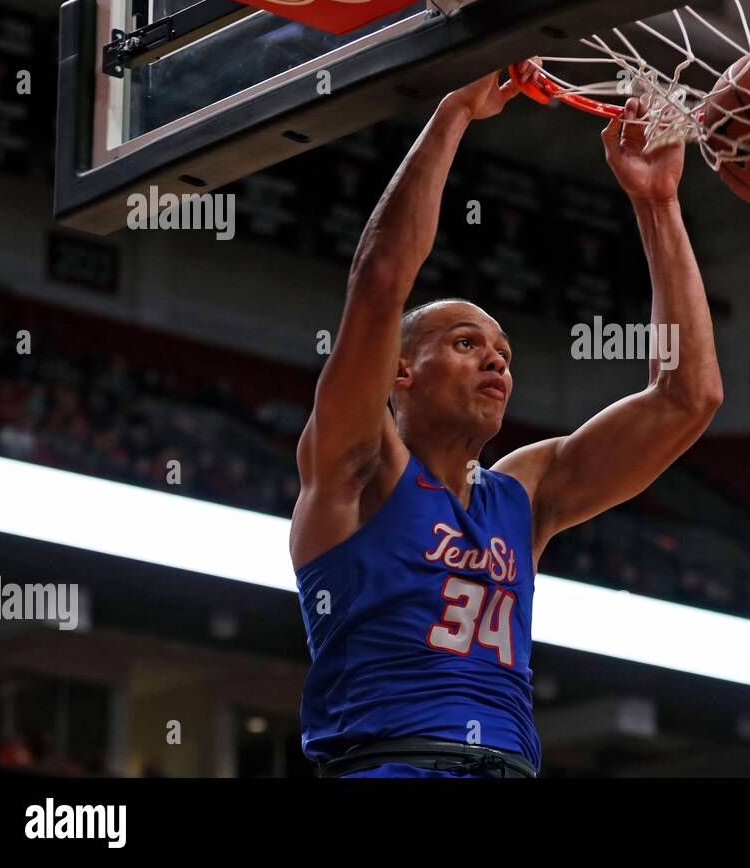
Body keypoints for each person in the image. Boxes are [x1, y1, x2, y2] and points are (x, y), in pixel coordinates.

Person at [290, 63, 723, 778]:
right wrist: (454, 110)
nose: (496, 362)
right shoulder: (357, 465)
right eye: (466, 345)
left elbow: (689, 396)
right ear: (400, 372)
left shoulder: (521, 496)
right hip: (391, 763)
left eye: (503, 353)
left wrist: (658, 203)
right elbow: (379, 279)